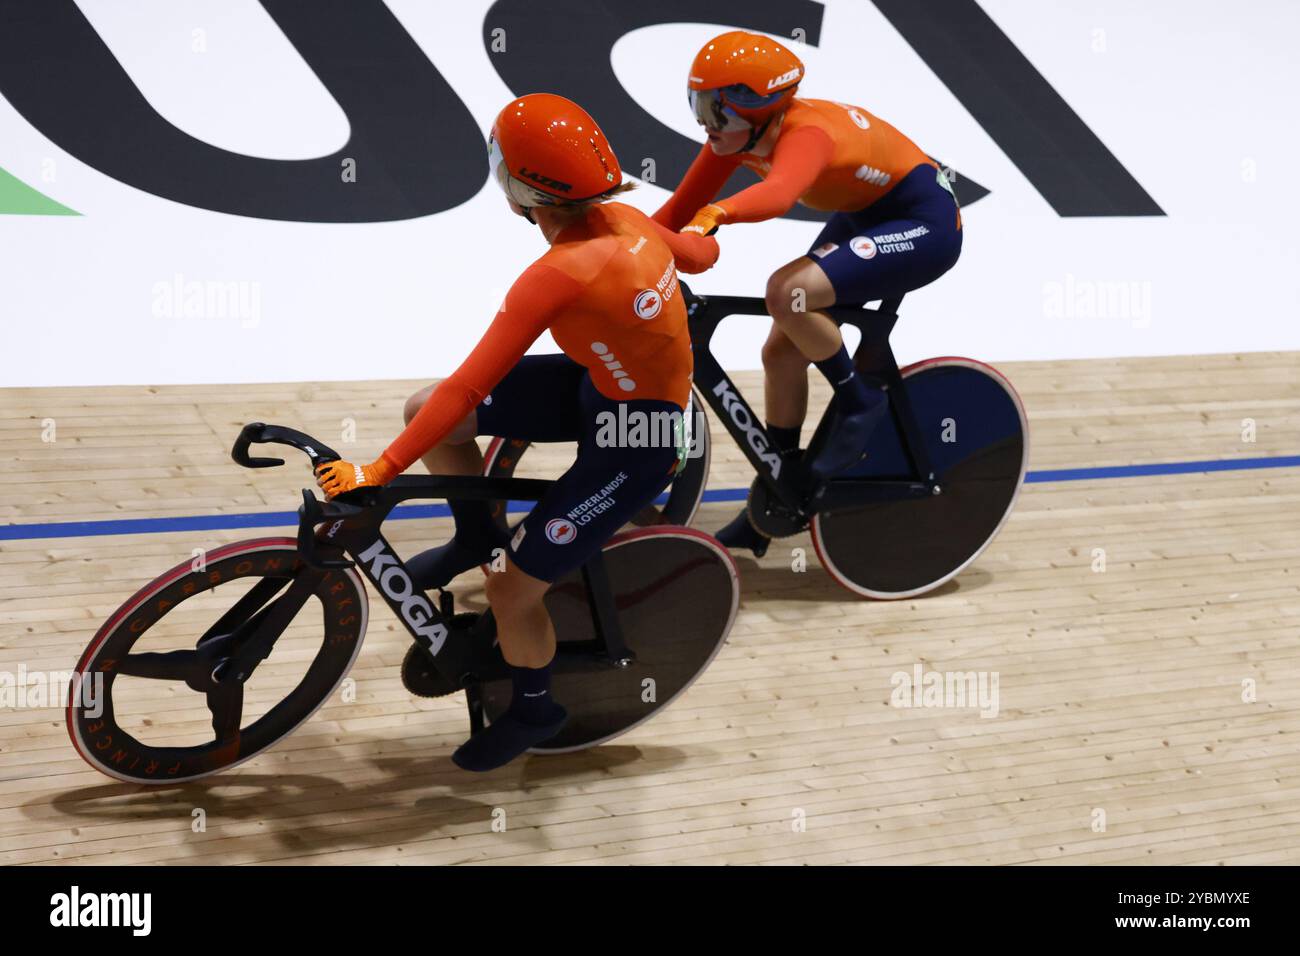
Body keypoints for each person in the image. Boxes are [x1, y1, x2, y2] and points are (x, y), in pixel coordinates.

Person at [314, 93, 718, 772]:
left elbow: (466, 386)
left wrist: (379, 471)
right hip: (601, 383)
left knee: (508, 586)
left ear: (517, 191)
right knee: (425, 411)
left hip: (638, 440)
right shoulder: (625, 215)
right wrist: (706, 222)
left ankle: (535, 707)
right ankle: (477, 531)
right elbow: (700, 258)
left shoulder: (555, 275)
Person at [655, 30, 963, 551]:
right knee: (779, 350)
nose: (707, 125)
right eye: (698, 106)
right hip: (866, 212)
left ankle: (858, 399)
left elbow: (777, 194)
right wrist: (625, 245)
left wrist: (720, 214)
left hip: (923, 221)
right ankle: (780, 485)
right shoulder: (736, 136)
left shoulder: (807, 133)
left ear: (761, 110)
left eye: (717, 110)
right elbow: (675, 213)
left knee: (787, 292)